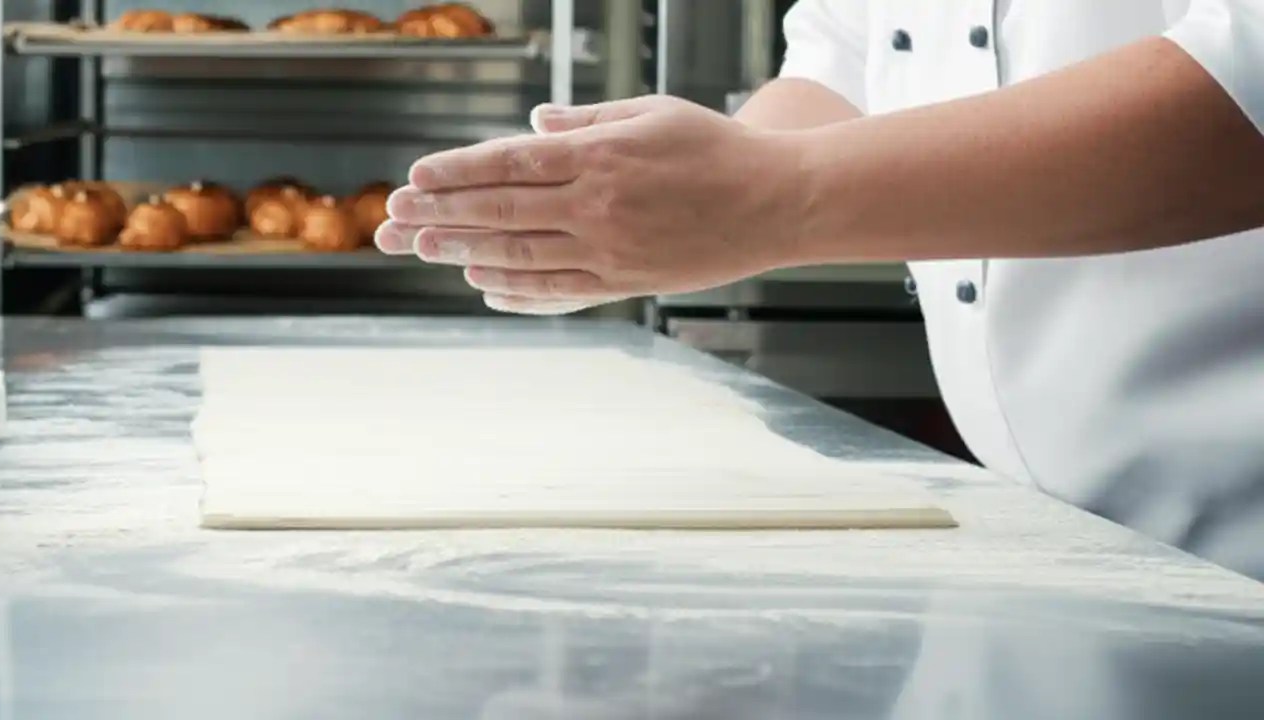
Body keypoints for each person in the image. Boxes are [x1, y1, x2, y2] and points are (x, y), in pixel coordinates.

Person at [374, 0, 1264, 581]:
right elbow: (845, 56)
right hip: (1069, 544)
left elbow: (1244, 87)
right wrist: (695, 192)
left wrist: (771, 196)